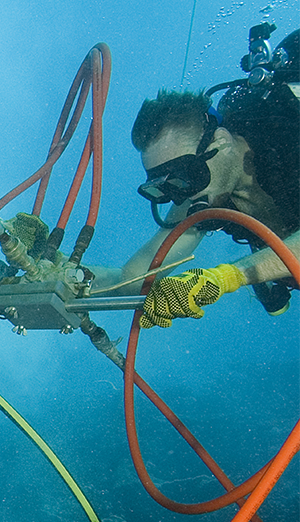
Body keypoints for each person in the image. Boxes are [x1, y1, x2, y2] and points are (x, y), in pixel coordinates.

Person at [92, 29, 298, 327]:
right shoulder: (201, 193)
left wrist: (228, 276)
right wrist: (59, 273)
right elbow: (131, 280)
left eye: (186, 173)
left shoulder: (291, 147)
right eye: (165, 185)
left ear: (221, 142)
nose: (183, 194)